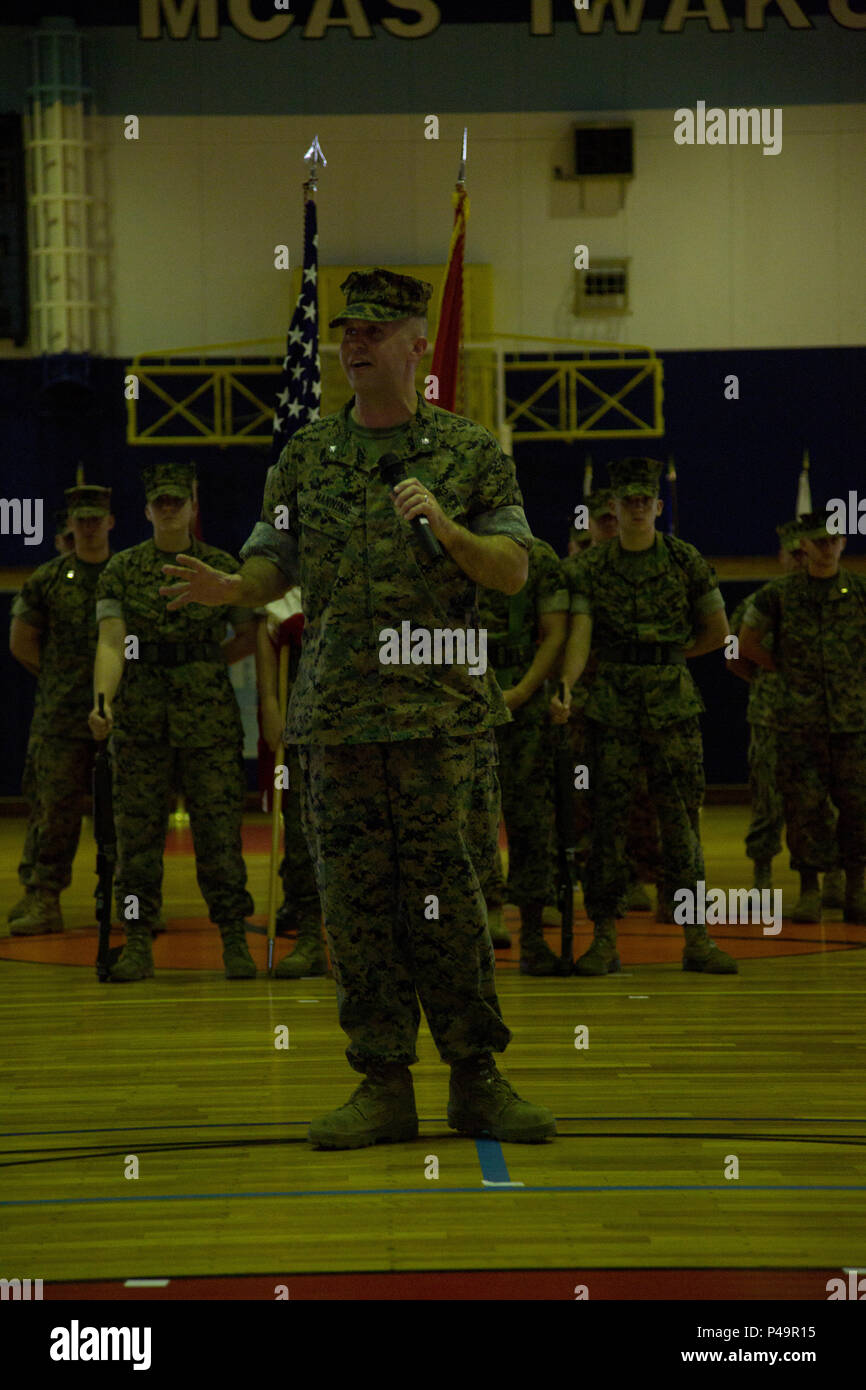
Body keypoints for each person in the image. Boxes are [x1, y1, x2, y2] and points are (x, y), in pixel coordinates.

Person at [160, 267, 557, 1148]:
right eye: (351, 329)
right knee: (356, 909)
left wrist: (451, 530)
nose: (357, 343)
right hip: (337, 722)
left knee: (453, 901)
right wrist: (235, 585)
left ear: (419, 344)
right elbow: (275, 563)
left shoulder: (469, 454)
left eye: (378, 330)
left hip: (441, 722)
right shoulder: (307, 455)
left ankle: (477, 1078)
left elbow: (516, 570)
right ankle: (382, 1083)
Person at [551, 457, 736, 976]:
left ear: (657, 507)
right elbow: (580, 638)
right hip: (610, 710)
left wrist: (667, 659)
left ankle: (697, 939)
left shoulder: (685, 560)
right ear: (611, 507)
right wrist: (567, 684)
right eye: (625, 502)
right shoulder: (589, 568)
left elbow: (718, 631)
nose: (635, 510)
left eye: (643, 502)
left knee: (680, 825)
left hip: (672, 707)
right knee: (607, 827)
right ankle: (605, 940)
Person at [88, 461, 258, 980]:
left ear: (192, 507)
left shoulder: (221, 566)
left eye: (176, 501)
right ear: (145, 510)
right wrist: (102, 702)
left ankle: (234, 939)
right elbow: (112, 642)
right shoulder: (122, 570)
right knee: (136, 843)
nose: (168, 509)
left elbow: (249, 635)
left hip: (209, 724)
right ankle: (136, 942)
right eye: (159, 502)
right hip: (140, 723)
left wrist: (199, 660)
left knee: (220, 838)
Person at [739, 510, 866, 925]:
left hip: (852, 723)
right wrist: (777, 671)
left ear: (843, 543)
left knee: (856, 807)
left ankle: (855, 889)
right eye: (818, 542)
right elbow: (742, 646)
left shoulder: (860, 591)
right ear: (802, 547)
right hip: (794, 722)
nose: (827, 548)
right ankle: (808, 889)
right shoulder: (778, 594)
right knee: (803, 809)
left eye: (834, 540)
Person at [8, 486, 115, 934]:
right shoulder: (48, 579)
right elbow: (21, 643)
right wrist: (58, 681)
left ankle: (127, 903)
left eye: (96, 518)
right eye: (80, 519)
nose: (88, 526)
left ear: (110, 521)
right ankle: (44, 901)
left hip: (121, 718)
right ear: (69, 524)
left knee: (127, 815)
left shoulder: (126, 573)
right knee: (54, 812)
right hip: (60, 718)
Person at [558, 488, 661, 918]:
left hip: (631, 702)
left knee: (635, 793)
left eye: (613, 520)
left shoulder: (644, 572)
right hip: (582, 703)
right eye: (603, 521)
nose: (610, 528)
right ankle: (586, 874)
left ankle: (634, 875)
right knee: (580, 793)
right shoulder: (570, 575)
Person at [475, 537, 568, 973]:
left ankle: (532, 932)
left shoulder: (540, 556)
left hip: (524, 701)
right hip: (463, 696)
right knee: (471, 816)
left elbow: (554, 633)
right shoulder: (447, 543)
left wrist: (524, 692)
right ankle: (482, 916)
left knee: (531, 817)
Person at [255, 589, 327, 976]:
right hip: (305, 722)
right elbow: (269, 631)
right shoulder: (297, 576)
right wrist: (270, 704)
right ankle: (311, 936)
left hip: (367, 719)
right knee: (302, 833)